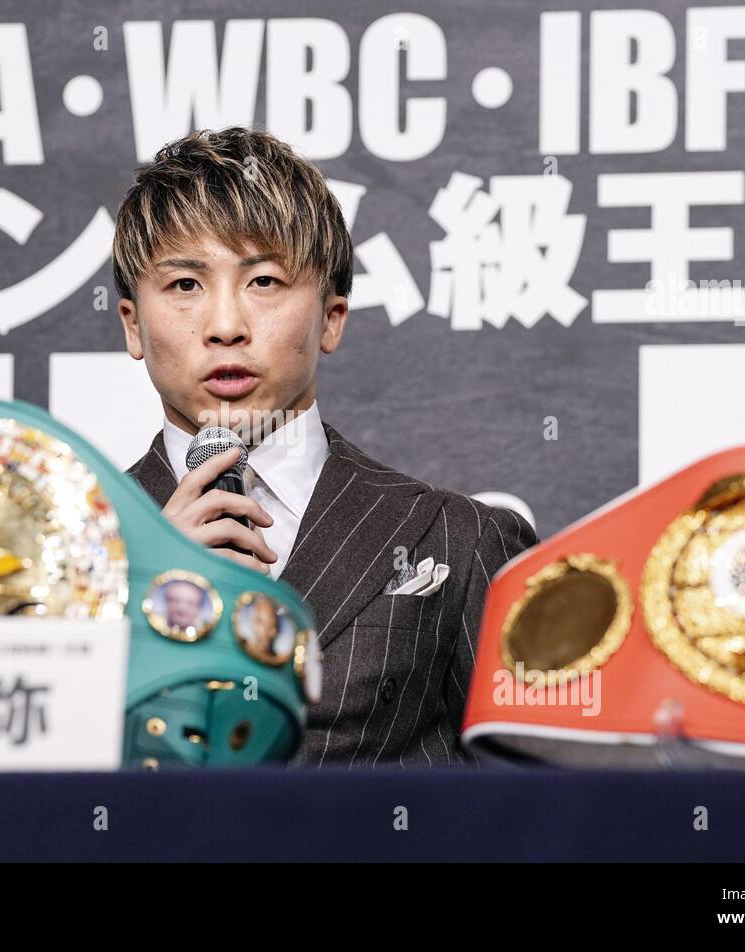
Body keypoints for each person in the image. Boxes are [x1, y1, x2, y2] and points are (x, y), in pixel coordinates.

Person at [114, 126, 538, 766]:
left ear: (331, 318)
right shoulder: (73, 553)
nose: (226, 327)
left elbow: (535, 813)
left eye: (264, 282)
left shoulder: (462, 538)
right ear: (132, 324)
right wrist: (138, 602)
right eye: (184, 285)